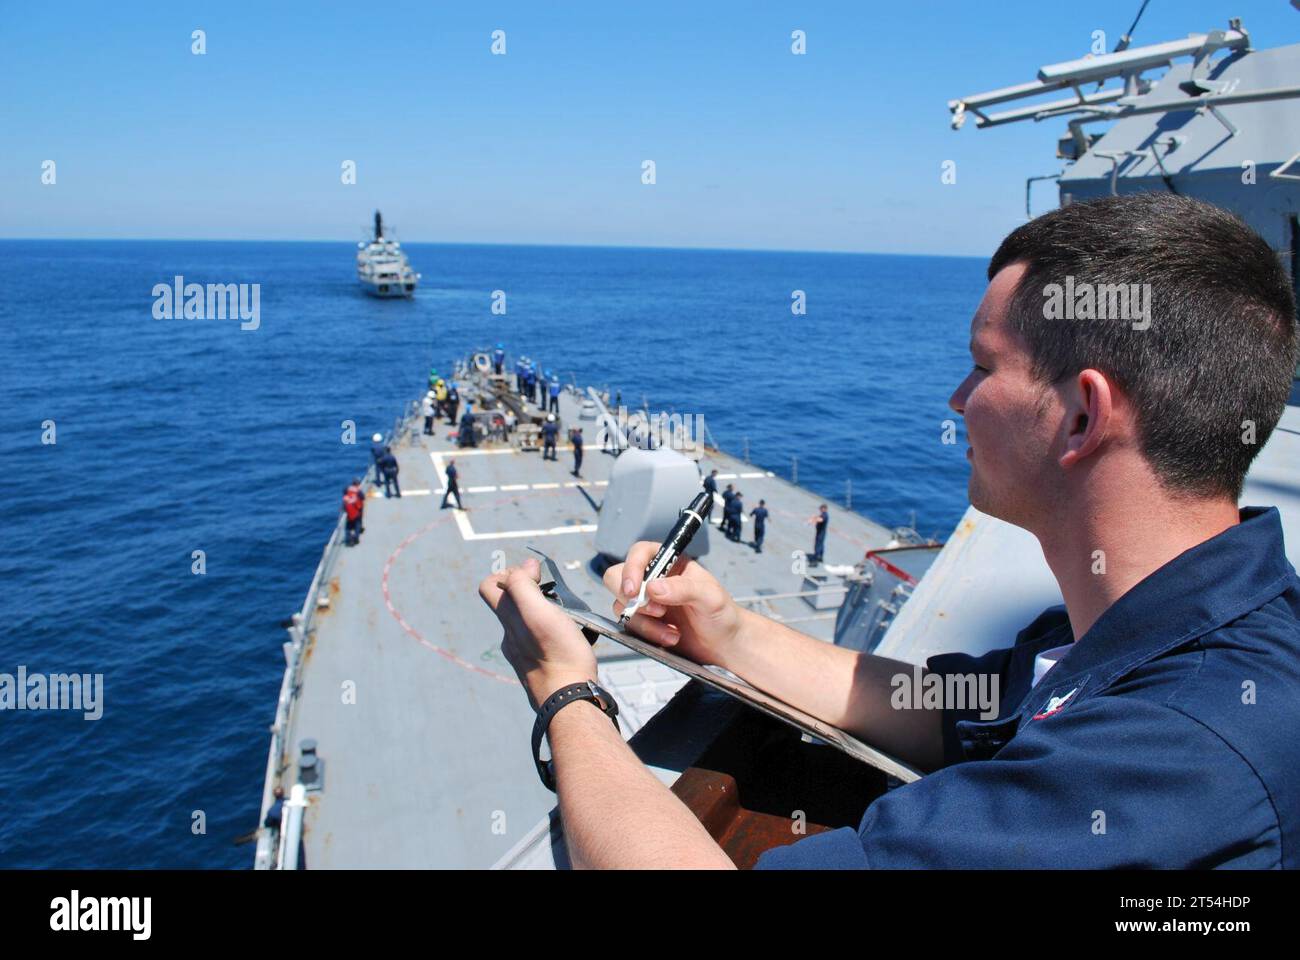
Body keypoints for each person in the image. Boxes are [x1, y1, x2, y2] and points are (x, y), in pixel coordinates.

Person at [478, 194, 1300, 869]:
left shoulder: (1175, 750)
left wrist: (566, 693)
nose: (956, 398)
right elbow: (947, 711)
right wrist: (724, 631)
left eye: (983, 366)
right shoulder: (1149, 624)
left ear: (1083, 415)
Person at [342, 478, 364, 546]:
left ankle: (348, 540)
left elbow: (344, 508)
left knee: (347, 528)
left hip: (349, 515)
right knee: (357, 525)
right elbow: (362, 498)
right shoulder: (356, 494)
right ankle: (356, 539)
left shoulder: (345, 498)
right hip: (356, 513)